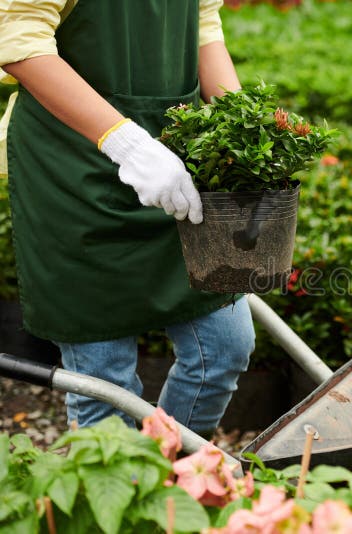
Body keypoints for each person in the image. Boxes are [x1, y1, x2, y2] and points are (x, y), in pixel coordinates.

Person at [0, 1, 255, 438]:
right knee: (105, 384)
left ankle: (170, 468)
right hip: (73, 169)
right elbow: (17, 36)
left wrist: (244, 129)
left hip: (176, 167)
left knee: (224, 347)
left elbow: (203, 23)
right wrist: (126, 144)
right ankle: (123, 477)